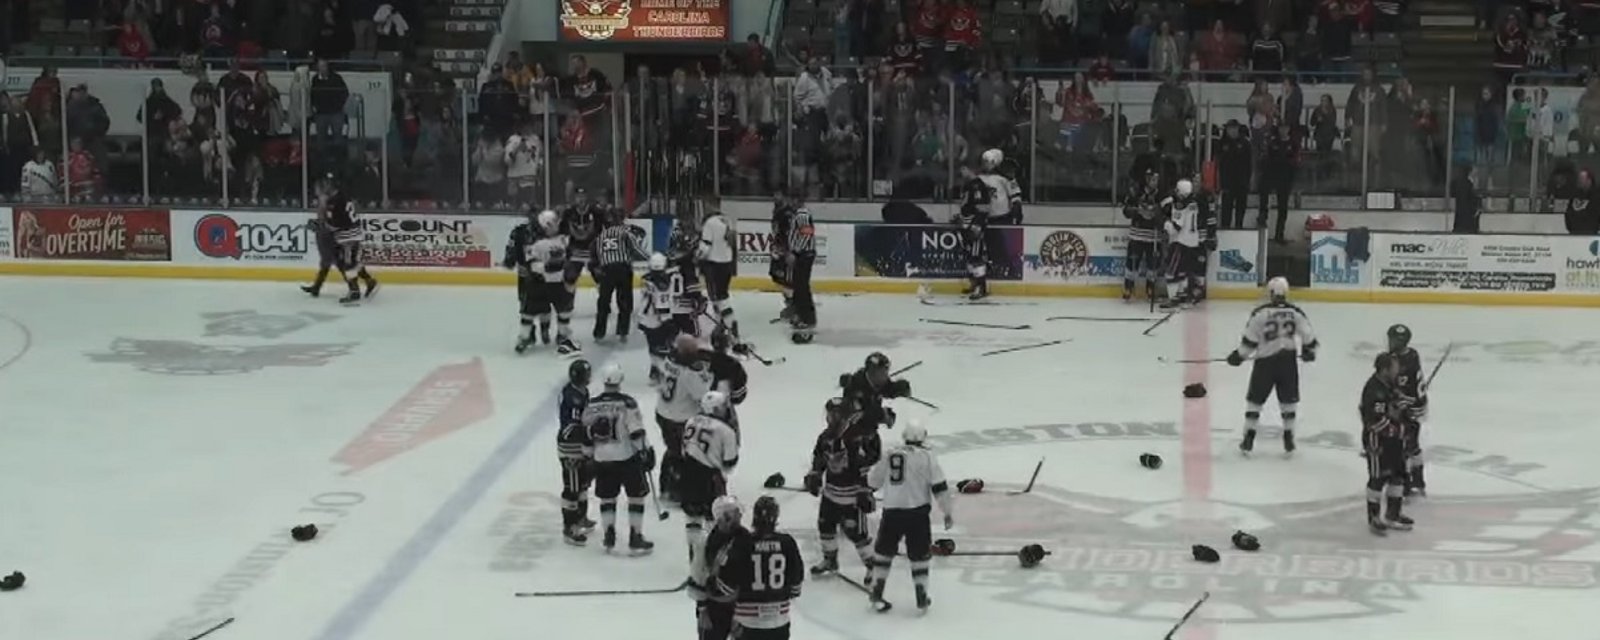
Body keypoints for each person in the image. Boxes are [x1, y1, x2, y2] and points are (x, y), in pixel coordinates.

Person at [866, 420, 953, 612]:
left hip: (892, 512)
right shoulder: (927, 456)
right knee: (920, 555)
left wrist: (867, 492)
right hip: (917, 513)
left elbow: (873, 480)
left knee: (884, 551)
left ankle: (877, 590)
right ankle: (921, 594)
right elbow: (939, 487)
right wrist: (947, 511)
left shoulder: (890, 453)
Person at [1226, 276, 1318, 456]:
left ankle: (1249, 437)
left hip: (1265, 363)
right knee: (1288, 401)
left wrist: (1238, 356)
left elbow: (1250, 341)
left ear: (1270, 292)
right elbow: (1309, 336)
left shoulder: (1260, 313)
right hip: (1288, 362)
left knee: (1255, 401)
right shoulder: (1295, 312)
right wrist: (1309, 351)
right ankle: (1289, 436)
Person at [806, 397, 881, 583]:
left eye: (834, 414)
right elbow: (819, 459)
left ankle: (873, 566)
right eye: (829, 413)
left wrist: (865, 491)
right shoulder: (825, 437)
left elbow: (865, 467)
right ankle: (830, 560)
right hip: (831, 494)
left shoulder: (855, 439)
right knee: (825, 526)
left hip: (851, 497)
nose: (830, 418)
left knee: (857, 534)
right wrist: (814, 475)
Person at [583, 365, 655, 553]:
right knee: (636, 496)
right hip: (626, 457)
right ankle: (635, 535)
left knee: (607, 497)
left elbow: (586, 434)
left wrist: (588, 455)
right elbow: (636, 431)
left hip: (602, 459)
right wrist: (645, 450)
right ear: (620, 381)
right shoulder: (628, 403)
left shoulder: (592, 404)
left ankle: (609, 534)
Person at [717, 496, 804, 640]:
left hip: (746, 623)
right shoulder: (787, 543)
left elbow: (726, 587)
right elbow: (796, 588)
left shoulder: (742, 543)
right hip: (779, 623)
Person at [656, 335, 721, 504]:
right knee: (685, 455)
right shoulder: (690, 373)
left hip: (663, 412)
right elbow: (703, 396)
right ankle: (679, 490)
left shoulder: (668, 361)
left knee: (671, 449)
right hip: (681, 418)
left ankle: (666, 487)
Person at [504, 209, 578, 354]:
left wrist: (570, 274)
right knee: (529, 311)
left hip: (559, 283)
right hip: (540, 283)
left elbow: (571, 258)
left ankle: (562, 335)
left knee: (564, 311)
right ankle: (524, 336)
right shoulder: (537, 244)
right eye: (553, 224)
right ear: (546, 226)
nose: (557, 226)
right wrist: (549, 267)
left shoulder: (564, 239)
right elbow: (533, 264)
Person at [680, 391, 741, 558]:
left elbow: (684, 450)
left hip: (687, 473)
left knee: (692, 518)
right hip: (711, 478)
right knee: (714, 520)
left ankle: (694, 555)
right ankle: (711, 555)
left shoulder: (691, 421)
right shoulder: (726, 430)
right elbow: (730, 463)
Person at [1361, 352, 1414, 535]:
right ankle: (1374, 516)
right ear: (1384, 370)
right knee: (1378, 477)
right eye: (1394, 367)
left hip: (1395, 440)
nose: (1397, 370)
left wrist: (1405, 406)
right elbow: (1374, 421)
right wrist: (1398, 430)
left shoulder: (1390, 384)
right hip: (1378, 441)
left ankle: (1393, 514)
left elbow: (1398, 402)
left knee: (1398, 475)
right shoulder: (1373, 390)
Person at [691, 496, 747, 640]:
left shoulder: (745, 537)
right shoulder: (706, 540)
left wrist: (742, 613)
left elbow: (748, 576)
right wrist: (702, 608)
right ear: (725, 516)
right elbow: (698, 574)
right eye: (736, 512)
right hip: (713, 607)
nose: (740, 515)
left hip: (739, 606)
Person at [319, 173, 379, 305]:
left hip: (348, 237)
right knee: (350, 262)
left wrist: (323, 220)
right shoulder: (344, 196)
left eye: (327, 184)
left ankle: (355, 292)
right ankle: (369, 281)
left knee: (348, 264)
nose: (325, 187)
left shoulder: (334, 202)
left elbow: (334, 223)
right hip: (352, 234)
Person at [590, 208, 648, 342]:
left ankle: (599, 333)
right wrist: (652, 259)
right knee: (625, 302)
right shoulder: (625, 233)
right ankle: (622, 332)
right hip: (623, 269)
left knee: (603, 302)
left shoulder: (600, 236)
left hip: (606, 270)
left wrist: (597, 272)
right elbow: (637, 250)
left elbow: (594, 255)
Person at [1384, 325, 1429, 497]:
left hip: (1410, 408)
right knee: (1410, 445)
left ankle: (1410, 482)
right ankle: (1415, 480)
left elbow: (1400, 389)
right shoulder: (1411, 355)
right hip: (1413, 405)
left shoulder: (1402, 363)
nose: (1390, 342)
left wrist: (1404, 406)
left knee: (1405, 446)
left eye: (1394, 340)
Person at [557, 359, 595, 545]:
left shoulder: (582, 392)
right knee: (572, 488)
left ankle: (581, 517)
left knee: (583, 483)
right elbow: (570, 429)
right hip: (570, 448)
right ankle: (569, 527)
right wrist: (590, 432)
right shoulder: (572, 397)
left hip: (581, 446)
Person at [1159, 178, 1212, 308]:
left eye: (1177, 190)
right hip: (1192, 242)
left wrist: (1163, 222)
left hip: (1180, 242)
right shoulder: (1194, 203)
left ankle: (1173, 297)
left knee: (1171, 270)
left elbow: (1175, 229)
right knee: (1182, 271)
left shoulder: (1180, 205)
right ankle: (1182, 294)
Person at [840, 352, 913, 430]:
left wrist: (901, 387)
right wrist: (883, 414)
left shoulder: (879, 382)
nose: (885, 375)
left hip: (871, 433)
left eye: (886, 371)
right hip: (852, 434)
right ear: (871, 372)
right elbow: (860, 413)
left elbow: (889, 389)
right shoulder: (856, 385)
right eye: (881, 372)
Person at [1121, 170, 1164, 303]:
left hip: (1154, 236)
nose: (1155, 182)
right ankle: (1128, 286)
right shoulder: (1136, 192)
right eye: (1152, 179)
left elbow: (1167, 212)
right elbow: (1126, 210)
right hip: (1137, 234)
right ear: (1147, 179)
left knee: (1153, 264)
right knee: (1132, 261)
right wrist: (1138, 212)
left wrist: (1156, 214)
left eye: (1157, 180)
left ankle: (1150, 287)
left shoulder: (1161, 194)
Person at [699, 204, 739, 339]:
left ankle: (728, 324)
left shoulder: (709, 223)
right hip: (727, 264)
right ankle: (725, 323)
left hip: (713, 264)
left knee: (716, 297)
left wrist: (696, 257)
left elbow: (705, 245)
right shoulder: (726, 220)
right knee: (723, 295)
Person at [637, 253, 677, 384]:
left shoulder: (646, 279)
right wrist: (667, 321)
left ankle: (655, 371)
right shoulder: (663, 283)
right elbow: (662, 304)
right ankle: (663, 372)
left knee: (653, 346)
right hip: (658, 318)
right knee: (665, 346)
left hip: (645, 318)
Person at [787, 194, 818, 343]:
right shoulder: (799, 214)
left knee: (801, 286)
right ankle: (804, 316)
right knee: (799, 286)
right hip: (803, 254)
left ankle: (807, 317)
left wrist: (795, 251)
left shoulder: (802, 214)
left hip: (804, 255)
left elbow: (806, 233)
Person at [300, 214, 339, 297]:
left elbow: (328, 246)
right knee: (324, 271)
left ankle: (362, 284)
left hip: (334, 254)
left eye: (312, 228)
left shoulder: (323, 233)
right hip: (329, 255)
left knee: (346, 270)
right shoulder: (320, 232)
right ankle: (316, 288)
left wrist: (326, 258)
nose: (311, 230)